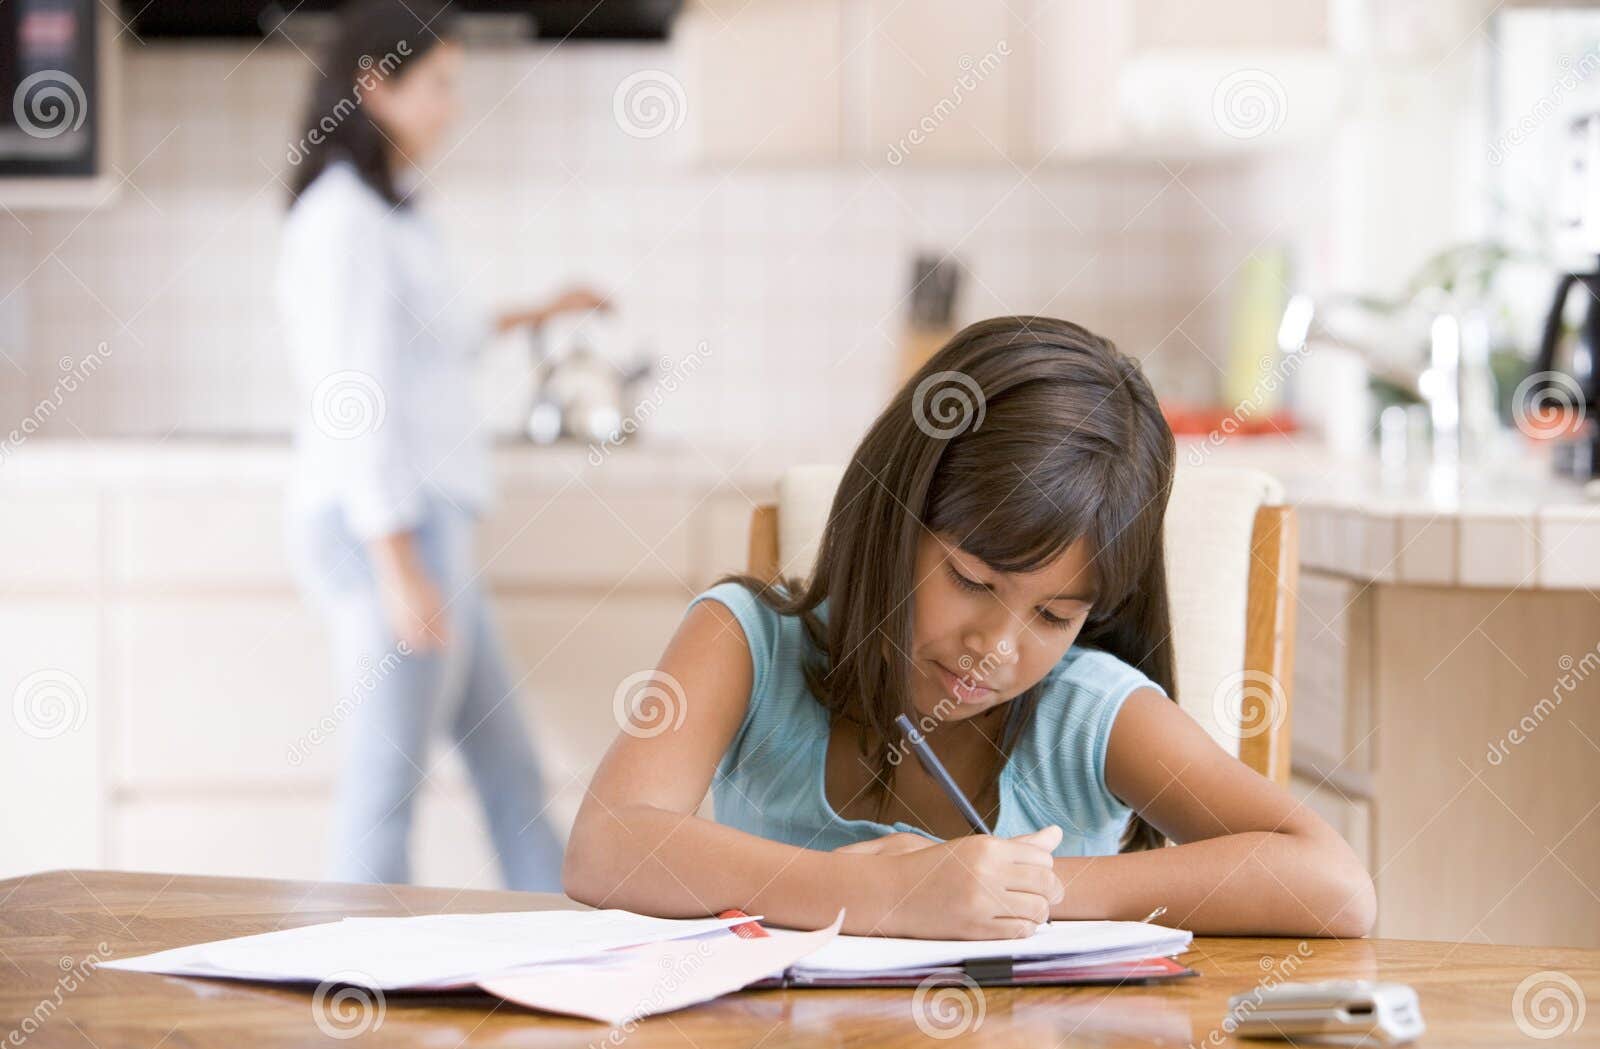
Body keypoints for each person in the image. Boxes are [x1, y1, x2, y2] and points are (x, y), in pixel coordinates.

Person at [564, 316, 1377, 939]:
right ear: (894, 517)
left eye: (1056, 615)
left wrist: (1035, 891)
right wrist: (884, 894)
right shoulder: (744, 643)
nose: (997, 646)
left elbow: (1335, 884)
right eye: (972, 580)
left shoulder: (1089, 712)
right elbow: (605, 844)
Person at [278, 0, 598, 890]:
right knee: (385, 789)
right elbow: (354, 399)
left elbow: (439, 333)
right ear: (375, 85)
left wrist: (544, 308)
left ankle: (576, 943)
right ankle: (349, 991)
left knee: (510, 768)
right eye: (441, 85)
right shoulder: (344, 220)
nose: (454, 106)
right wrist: (396, 562)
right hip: (394, 528)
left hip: (428, 528)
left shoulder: (394, 212)